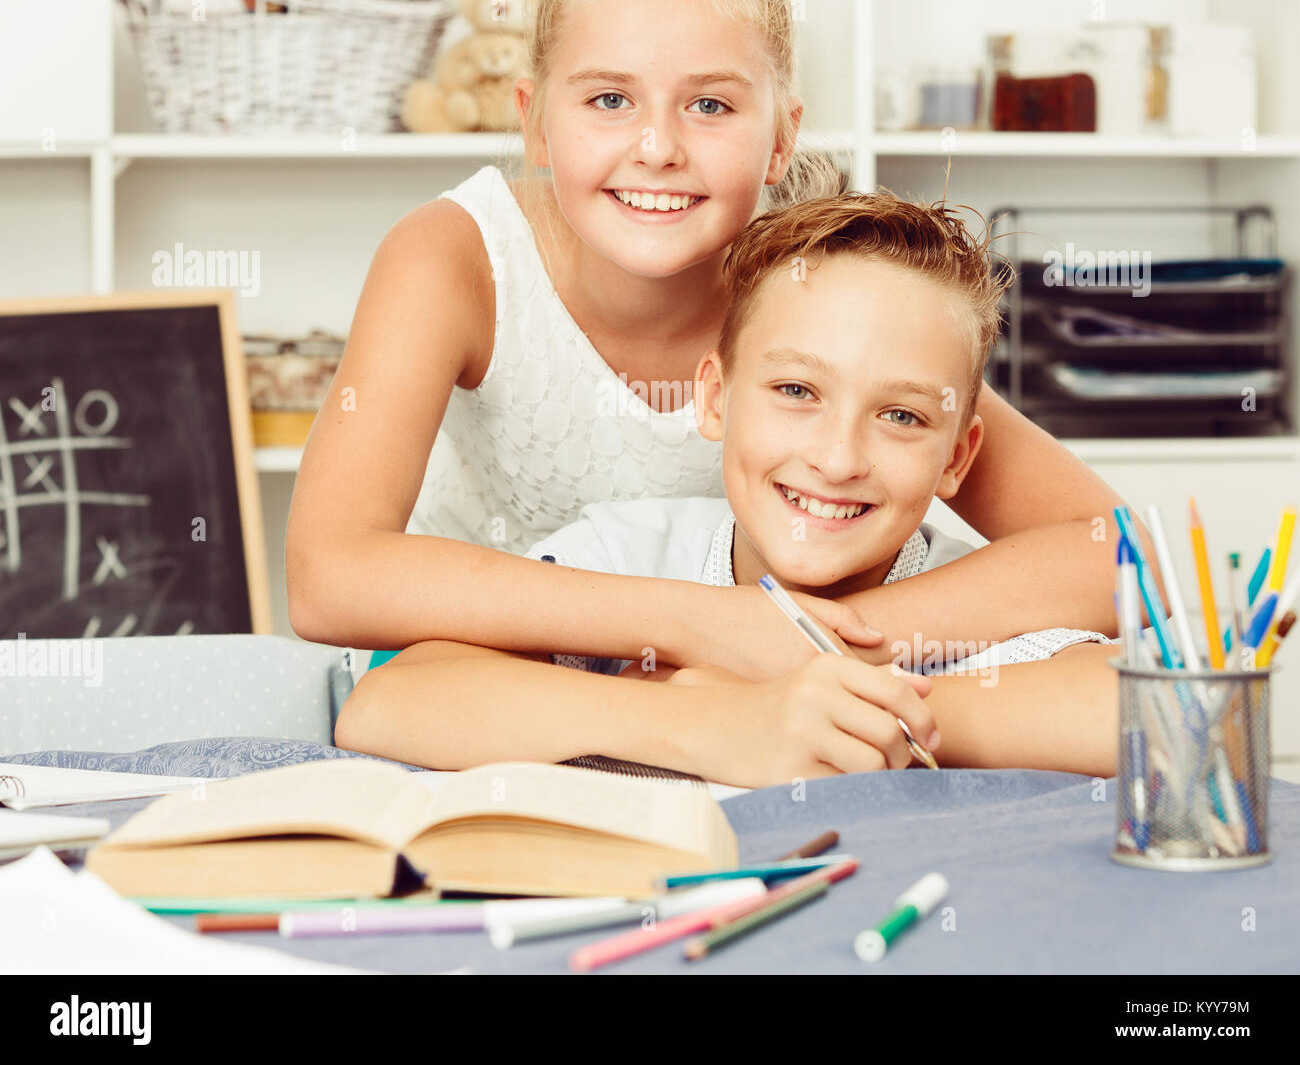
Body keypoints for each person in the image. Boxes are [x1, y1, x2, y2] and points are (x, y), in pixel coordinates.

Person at [288, 0, 1159, 693]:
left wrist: (816, 639)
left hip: (720, 712)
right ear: (534, 121)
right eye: (608, 98)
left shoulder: (809, 289)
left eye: (709, 105)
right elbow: (328, 579)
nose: (659, 147)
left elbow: (1127, 558)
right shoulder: (453, 257)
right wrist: (701, 626)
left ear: (782, 140)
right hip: (476, 697)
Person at [334, 190, 1121, 786]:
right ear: (714, 397)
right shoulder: (627, 552)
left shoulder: (974, 599)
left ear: (959, 457)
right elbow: (388, 702)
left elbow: (1129, 710)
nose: (839, 457)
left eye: (902, 414)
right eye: (797, 392)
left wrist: (832, 713)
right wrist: (704, 716)